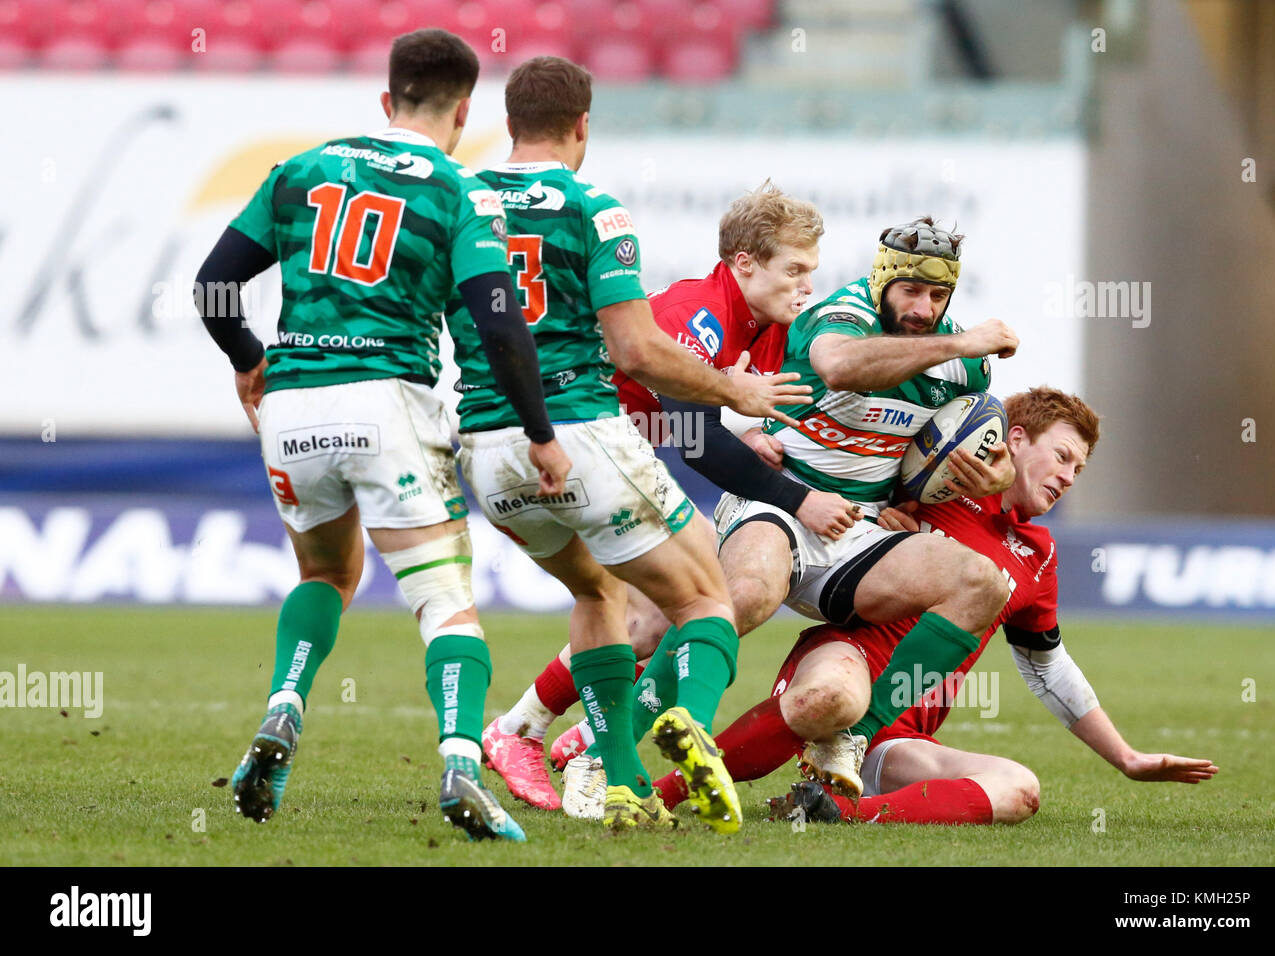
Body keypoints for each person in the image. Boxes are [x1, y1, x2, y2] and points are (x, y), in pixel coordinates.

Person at [193, 29, 572, 842]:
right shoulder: (458, 191)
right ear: (466, 111)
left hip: (293, 404)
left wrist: (249, 359)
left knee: (327, 572)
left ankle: (284, 707)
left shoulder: (302, 169)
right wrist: (539, 431)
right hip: (388, 404)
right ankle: (463, 767)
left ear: (385, 99)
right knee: (444, 602)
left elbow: (215, 285)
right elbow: (500, 323)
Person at [449, 57, 812, 832]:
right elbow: (637, 354)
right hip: (580, 434)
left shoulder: (457, 201)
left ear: (505, 124)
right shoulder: (597, 210)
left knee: (599, 595)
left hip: (484, 444)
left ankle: (610, 777)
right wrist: (738, 394)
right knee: (710, 594)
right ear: (584, 125)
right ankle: (690, 727)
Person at [551, 219, 1027, 806]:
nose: (922, 308)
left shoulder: (963, 364)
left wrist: (994, 472)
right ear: (881, 280)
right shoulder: (844, 315)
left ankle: (854, 737)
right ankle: (601, 758)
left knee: (983, 583)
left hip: (857, 531)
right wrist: (961, 342)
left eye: (936, 296)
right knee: (743, 594)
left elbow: (951, 450)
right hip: (778, 500)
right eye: (909, 291)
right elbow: (839, 366)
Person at [659, 387, 1218, 823]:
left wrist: (1127, 757)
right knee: (830, 697)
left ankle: (836, 810)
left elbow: (1048, 670)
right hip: (843, 654)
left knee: (1020, 789)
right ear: (1015, 439)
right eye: (1064, 456)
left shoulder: (1039, 555)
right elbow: (841, 443)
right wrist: (758, 434)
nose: (1069, 477)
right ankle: (662, 794)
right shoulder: (927, 479)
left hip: (898, 736)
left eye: (1080, 470)